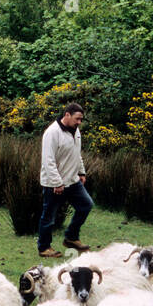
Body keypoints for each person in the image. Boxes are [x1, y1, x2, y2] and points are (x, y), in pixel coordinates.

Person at [37, 102, 92, 257]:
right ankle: (44, 248)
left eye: (81, 119)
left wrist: (81, 172)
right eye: (77, 119)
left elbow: (76, 153)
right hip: (54, 184)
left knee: (86, 205)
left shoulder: (75, 131)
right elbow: (48, 160)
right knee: (49, 217)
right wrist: (57, 182)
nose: (79, 122)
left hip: (72, 180)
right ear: (67, 115)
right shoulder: (52, 133)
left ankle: (71, 238)